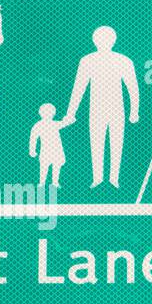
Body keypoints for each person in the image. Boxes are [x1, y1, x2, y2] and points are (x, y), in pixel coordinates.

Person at [61, 26, 139, 188]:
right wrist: (70, 113)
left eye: (107, 39)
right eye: (100, 39)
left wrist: (134, 111)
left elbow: (133, 88)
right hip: (96, 109)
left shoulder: (123, 61)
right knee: (96, 142)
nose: (103, 42)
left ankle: (114, 178)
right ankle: (97, 178)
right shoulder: (87, 61)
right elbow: (78, 88)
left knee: (117, 142)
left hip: (117, 109)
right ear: (94, 41)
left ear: (113, 40)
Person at [29, 103, 66, 189]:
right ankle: (42, 183)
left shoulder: (55, 123)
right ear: (41, 113)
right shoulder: (38, 125)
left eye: (51, 113)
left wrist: (69, 119)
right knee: (44, 167)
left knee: (56, 166)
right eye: (46, 112)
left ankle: (55, 182)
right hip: (45, 151)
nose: (49, 114)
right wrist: (32, 150)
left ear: (53, 114)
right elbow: (33, 138)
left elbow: (64, 123)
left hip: (57, 150)